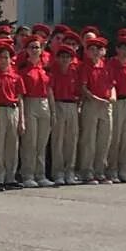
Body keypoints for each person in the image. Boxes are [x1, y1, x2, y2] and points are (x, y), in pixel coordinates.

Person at [78, 37, 114, 185]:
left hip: (106, 105)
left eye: (98, 49)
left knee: (104, 139)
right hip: (92, 104)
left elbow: (112, 85)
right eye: (92, 49)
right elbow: (83, 88)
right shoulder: (84, 67)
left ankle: (100, 171)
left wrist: (112, 97)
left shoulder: (106, 66)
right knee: (89, 139)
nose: (95, 52)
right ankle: (87, 172)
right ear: (87, 51)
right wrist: (96, 99)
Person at [0, 41, 25, 191]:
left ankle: (10, 177)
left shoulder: (16, 77)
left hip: (13, 110)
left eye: (7, 57)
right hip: (1, 110)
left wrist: (22, 120)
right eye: (1, 57)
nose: (4, 60)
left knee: (12, 145)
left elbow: (20, 98)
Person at [19, 35, 53, 188]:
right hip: (29, 103)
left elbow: (50, 90)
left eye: (37, 47)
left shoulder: (45, 69)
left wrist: (53, 112)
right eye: (31, 47)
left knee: (42, 142)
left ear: (41, 50)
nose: (34, 50)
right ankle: (28, 175)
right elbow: (21, 94)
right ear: (26, 50)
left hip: (44, 103)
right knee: (30, 142)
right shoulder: (23, 70)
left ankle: (41, 174)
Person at [106, 37, 126, 183]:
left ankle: (123, 170)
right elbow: (110, 83)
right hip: (116, 101)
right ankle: (112, 170)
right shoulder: (112, 64)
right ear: (117, 49)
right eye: (123, 48)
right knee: (116, 138)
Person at [48, 45, 79, 185]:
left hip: (72, 105)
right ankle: (58, 172)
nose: (65, 59)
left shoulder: (74, 72)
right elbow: (51, 91)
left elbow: (79, 90)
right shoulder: (54, 72)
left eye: (68, 57)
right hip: (59, 104)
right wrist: (53, 111)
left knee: (71, 140)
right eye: (62, 57)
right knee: (58, 140)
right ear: (58, 58)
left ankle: (70, 171)